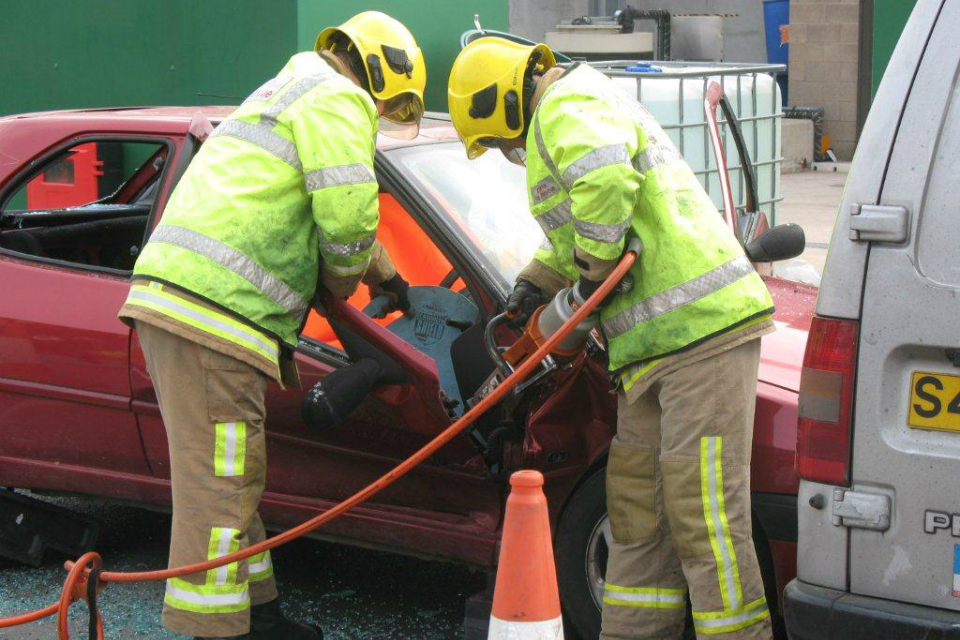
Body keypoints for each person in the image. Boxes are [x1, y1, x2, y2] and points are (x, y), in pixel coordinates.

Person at [448, 39, 776, 640]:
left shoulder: (566, 104)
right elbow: (580, 230)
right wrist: (535, 283)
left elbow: (603, 188)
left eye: (494, 140)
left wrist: (591, 275)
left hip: (702, 334)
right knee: (636, 511)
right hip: (648, 352)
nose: (504, 151)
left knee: (702, 512)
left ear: (502, 103)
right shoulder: (571, 110)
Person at [117, 11, 424, 640]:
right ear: (380, 74)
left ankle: (259, 614)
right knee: (220, 479)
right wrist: (344, 284)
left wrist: (386, 275)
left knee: (235, 470)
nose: (384, 114)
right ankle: (214, 627)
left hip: (192, 306)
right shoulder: (339, 99)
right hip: (213, 315)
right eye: (393, 105)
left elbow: (321, 205)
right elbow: (346, 217)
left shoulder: (291, 89)